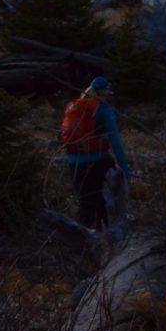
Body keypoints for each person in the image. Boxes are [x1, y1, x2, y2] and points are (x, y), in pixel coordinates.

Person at [60, 76, 131, 229]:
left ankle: (82, 244)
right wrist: (124, 170)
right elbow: (116, 143)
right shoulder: (105, 110)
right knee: (104, 205)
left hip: (74, 162)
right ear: (104, 93)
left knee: (85, 204)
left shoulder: (75, 107)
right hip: (98, 162)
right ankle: (108, 242)